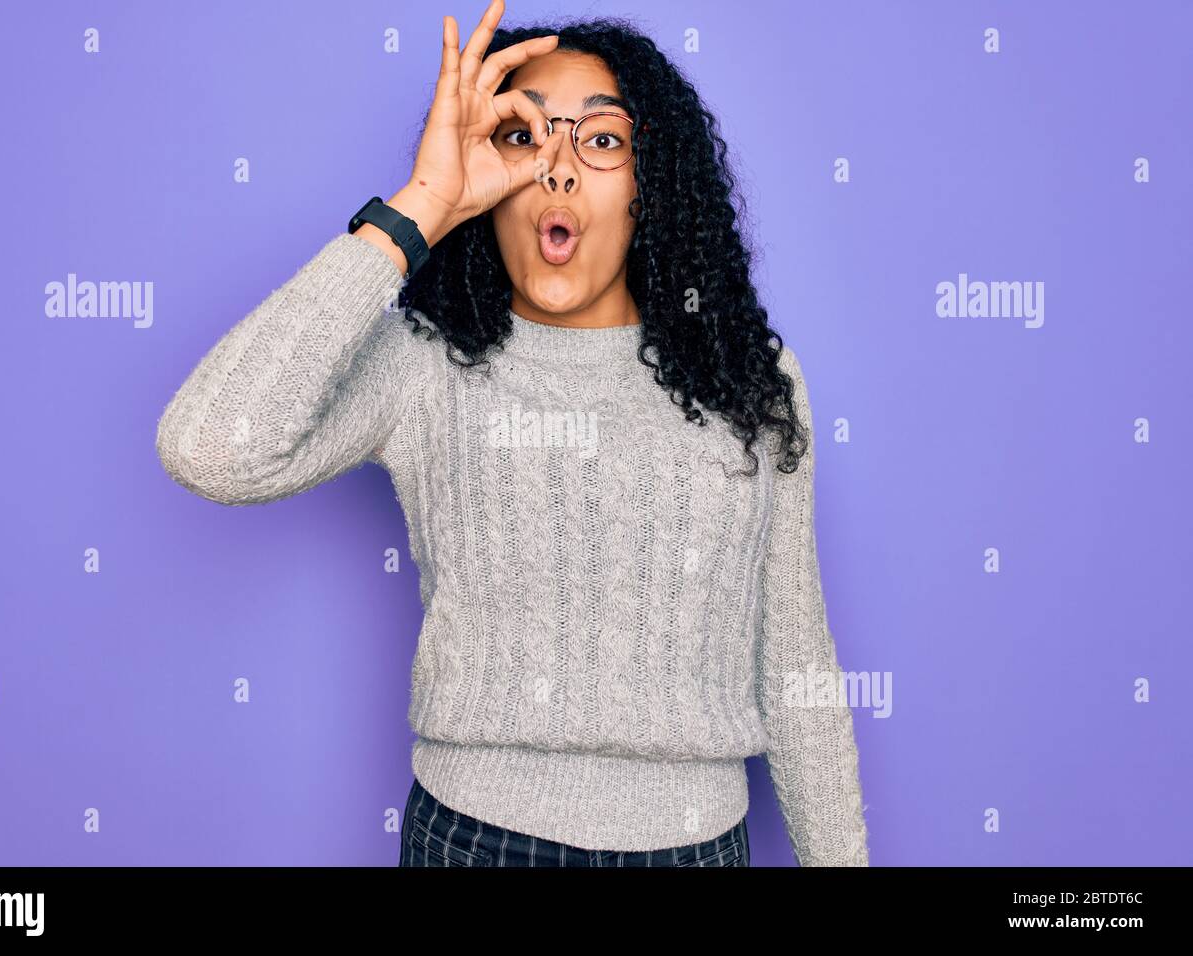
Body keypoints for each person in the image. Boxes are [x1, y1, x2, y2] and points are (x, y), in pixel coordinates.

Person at [155, 0, 870, 867]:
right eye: (523, 138)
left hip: (698, 847)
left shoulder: (750, 375)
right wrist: (418, 209)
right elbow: (209, 447)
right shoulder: (426, 362)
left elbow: (796, 661)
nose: (559, 170)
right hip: (477, 844)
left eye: (601, 141)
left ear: (654, 184)